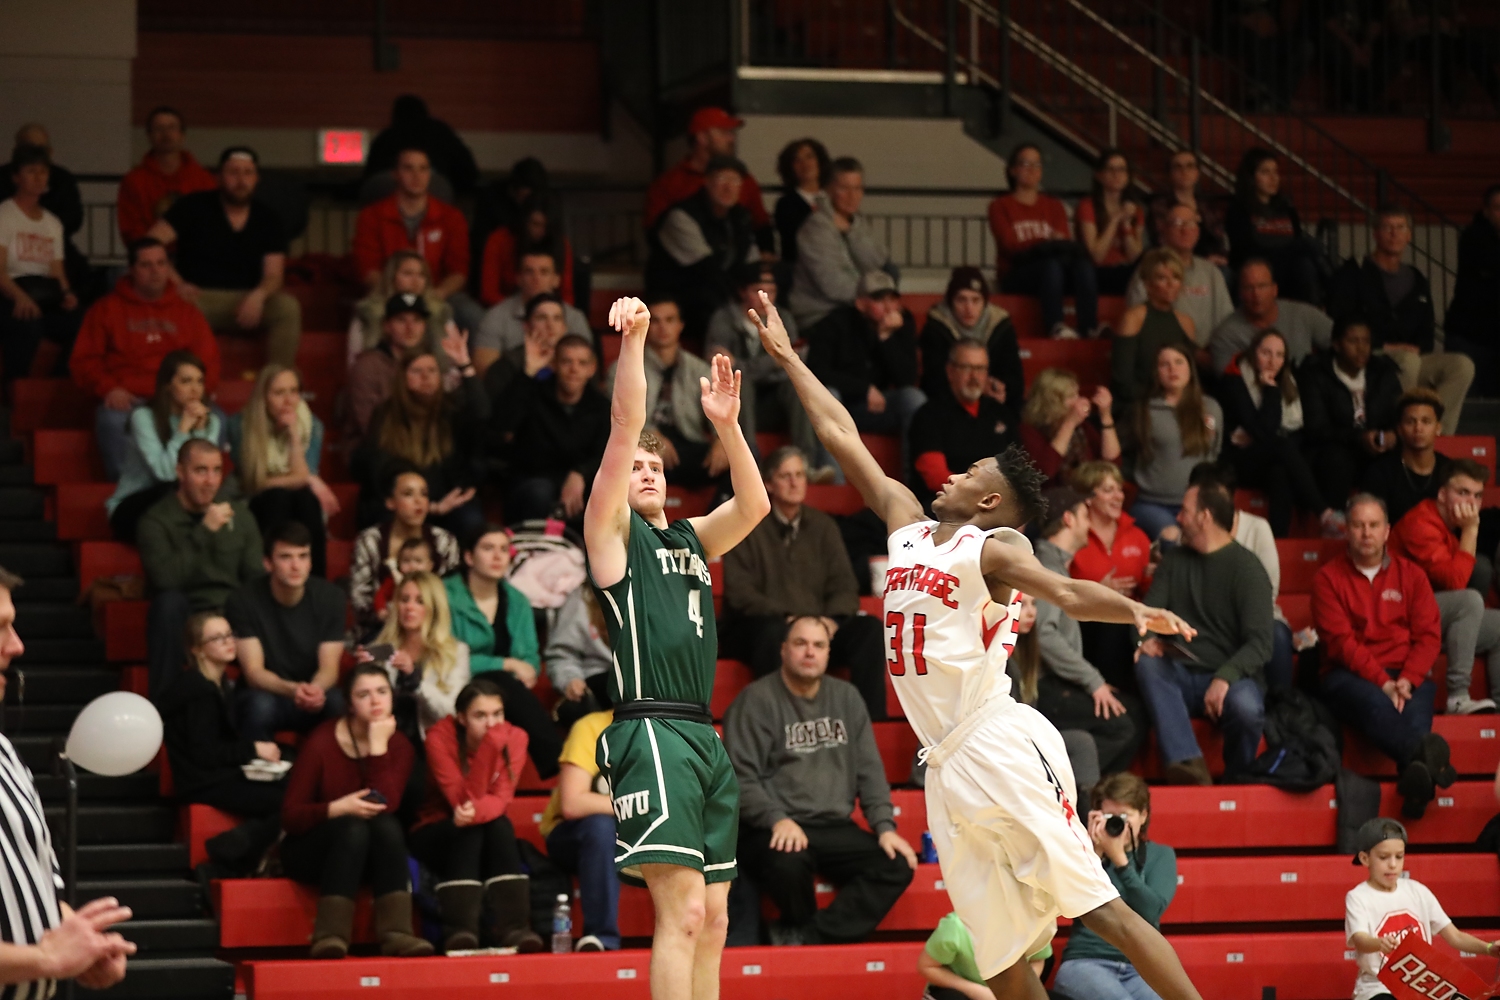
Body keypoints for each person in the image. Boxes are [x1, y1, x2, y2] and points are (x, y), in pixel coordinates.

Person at [751, 291, 1205, 1000]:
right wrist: (787, 357)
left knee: (1101, 909)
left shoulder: (989, 549)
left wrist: (1137, 608)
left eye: (972, 475)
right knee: (996, 954)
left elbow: (1067, 592)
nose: (954, 474)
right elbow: (841, 433)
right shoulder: (904, 523)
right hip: (946, 763)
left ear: (990, 502)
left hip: (997, 738)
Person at [583, 297, 770, 1000]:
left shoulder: (690, 538)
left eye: (655, 466)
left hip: (701, 732)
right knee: (684, 913)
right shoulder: (613, 537)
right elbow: (626, 420)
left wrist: (729, 426)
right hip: (650, 726)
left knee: (716, 920)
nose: (648, 471)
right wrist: (632, 342)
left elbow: (753, 508)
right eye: (635, 468)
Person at [725, 616, 917, 945]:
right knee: (788, 862)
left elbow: (870, 771)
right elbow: (740, 778)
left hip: (832, 827)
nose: (809, 652)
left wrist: (884, 827)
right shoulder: (755, 701)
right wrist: (777, 819)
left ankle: (807, 935)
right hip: (771, 827)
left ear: (830, 653)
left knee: (897, 864)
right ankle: (801, 932)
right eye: (800, 643)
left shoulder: (848, 697)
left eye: (818, 645)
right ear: (784, 650)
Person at [0, 565, 135, 994]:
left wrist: (81, 945)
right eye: (1, 628)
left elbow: (38, 886)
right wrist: (44, 958)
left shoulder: (5, 752)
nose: (17, 646)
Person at [722, 446, 888, 720]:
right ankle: (780, 722)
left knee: (869, 630)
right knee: (772, 633)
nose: (794, 481)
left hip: (817, 626)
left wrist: (827, 623)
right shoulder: (748, 525)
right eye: (786, 475)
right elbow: (741, 593)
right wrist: (792, 621)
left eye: (799, 474)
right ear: (769, 483)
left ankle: (871, 725)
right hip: (765, 626)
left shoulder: (824, 526)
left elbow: (845, 586)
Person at [279, 664, 433, 959]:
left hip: (366, 854)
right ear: (349, 703)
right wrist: (336, 808)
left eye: (382, 692)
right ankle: (330, 935)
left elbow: (385, 803)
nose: (375, 701)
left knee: (386, 825)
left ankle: (396, 933)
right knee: (353, 827)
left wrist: (378, 745)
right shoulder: (322, 741)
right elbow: (291, 815)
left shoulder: (399, 745)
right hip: (312, 850)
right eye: (364, 694)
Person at [1134, 481, 1272, 785]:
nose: (1179, 518)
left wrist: (1225, 677)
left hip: (1232, 678)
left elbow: (1261, 643)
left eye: (1185, 511)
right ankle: (1188, 767)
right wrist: (1146, 641)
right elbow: (1144, 616)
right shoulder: (1174, 561)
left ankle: (1239, 782)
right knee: (1148, 663)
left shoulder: (1248, 568)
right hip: (1179, 672)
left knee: (1246, 707)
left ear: (1205, 517)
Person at [1318, 492, 1449, 809]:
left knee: (1418, 711)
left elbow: (1429, 636)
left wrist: (1407, 679)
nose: (1366, 533)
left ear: (1387, 530)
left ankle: (1417, 784)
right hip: (1349, 676)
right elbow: (1341, 643)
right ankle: (1429, 765)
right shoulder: (1328, 578)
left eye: (1374, 525)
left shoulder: (1412, 575)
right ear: (1346, 530)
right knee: (1378, 705)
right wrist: (1383, 682)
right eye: (1359, 525)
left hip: (1405, 674)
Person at [71, 238, 221, 481]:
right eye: (146, 265)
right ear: (131, 269)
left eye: (161, 263)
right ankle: (128, 491)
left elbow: (208, 361)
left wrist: (197, 393)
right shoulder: (105, 309)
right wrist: (109, 389)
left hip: (177, 398)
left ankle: (200, 488)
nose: (155, 271)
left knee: (217, 418)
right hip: (129, 400)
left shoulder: (187, 311)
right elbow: (84, 361)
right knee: (111, 420)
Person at [409, 677, 540, 953]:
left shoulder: (516, 737)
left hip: (479, 824)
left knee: (497, 824)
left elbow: (501, 799)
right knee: (476, 828)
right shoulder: (439, 737)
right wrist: (490, 748)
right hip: (434, 828)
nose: (492, 724)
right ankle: (460, 931)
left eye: (497, 714)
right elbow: (460, 801)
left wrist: (476, 811)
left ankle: (514, 929)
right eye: (480, 715)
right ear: (461, 718)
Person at [145, 146, 301, 368]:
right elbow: (150, 243)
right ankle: (188, 382)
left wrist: (259, 295)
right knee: (179, 307)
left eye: (248, 173)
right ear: (219, 177)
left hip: (248, 299)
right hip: (199, 297)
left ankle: (277, 382)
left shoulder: (269, 218)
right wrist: (176, 282)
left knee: (287, 307)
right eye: (233, 172)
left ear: (256, 179)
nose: (241, 180)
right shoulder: (193, 206)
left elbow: (274, 274)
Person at [1029, 488, 1147, 777]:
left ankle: (1087, 789)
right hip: (1045, 688)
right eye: (1084, 515)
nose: (1089, 523)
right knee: (1125, 724)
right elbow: (1044, 636)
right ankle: (1059, 782)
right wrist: (1093, 681)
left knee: (1132, 712)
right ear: (1068, 519)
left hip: (1060, 684)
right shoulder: (1046, 568)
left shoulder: (1057, 566)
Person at [1327, 206, 1474, 436]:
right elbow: (1340, 321)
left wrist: (1416, 347)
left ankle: (1436, 433)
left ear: (1409, 235)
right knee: (1408, 361)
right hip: (1371, 355)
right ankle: (1404, 430)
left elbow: (1426, 330)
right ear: (1375, 233)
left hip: (1412, 356)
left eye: (1400, 228)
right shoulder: (1355, 272)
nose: (1394, 234)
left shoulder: (1416, 278)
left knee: (1461, 365)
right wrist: (1383, 346)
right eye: (1387, 227)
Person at [157, 611, 285, 875]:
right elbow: (205, 753)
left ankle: (235, 849)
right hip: (202, 781)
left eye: (230, 635)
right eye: (217, 638)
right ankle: (228, 854)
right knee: (288, 801)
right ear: (197, 650)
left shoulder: (219, 684)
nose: (229, 642)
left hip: (213, 774)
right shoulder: (199, 691)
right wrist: (253, 749)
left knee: (292, 785)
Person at [139, 440, 264, 702]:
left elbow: (254, 576)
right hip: (187, 614)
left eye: (217, 471)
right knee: (167, 604)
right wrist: (204, 532)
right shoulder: (156, 520)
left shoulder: (239, 516)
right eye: (201, 471)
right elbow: (166, 579)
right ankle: (166, 708)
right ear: (180, 472)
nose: (210, 481)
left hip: (231, 609)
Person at [443, 526, 562, 779]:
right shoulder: (445, 595)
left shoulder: (517, 599)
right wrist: (505, 664)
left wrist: (524, 670)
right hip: (455, 680)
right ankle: (555, 760)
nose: (498, 556)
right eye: (488, 549)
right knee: (501, 678)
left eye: (503, 550)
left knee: (504, 682)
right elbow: (446, 658)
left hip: (507, 687)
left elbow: (529, 656)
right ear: (468, 557)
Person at [1389, 461, 1500, 715]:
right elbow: (1456, 582)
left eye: (1477, 495)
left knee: (1498, 626)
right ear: (1442, 494)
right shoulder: (1421, 523)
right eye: (1462, 492)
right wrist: (1471, 529)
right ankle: (1458, 697)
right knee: (1469, 599)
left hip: (1428, 617)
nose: (1471, 502)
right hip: (1397, 620)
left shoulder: (1447, 527)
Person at [1345, 817, 1499, 1000]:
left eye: (1399, 857)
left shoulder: (1418, 891)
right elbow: (1360, 939)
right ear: (1364, 858)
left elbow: (1455, 936)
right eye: (1384, 857)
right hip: (1378, 988)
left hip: (1423, 987)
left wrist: (1489, 948)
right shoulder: (1358, 897)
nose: (1393, 864)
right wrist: (1379, 943)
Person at [1054, 774, 1177, 1000]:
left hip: (1142, 967)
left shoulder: (1160, 855)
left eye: (1125, 816)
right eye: (1110, 816)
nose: (1117, 823)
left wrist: (1121, 861)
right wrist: (1094, 855)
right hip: (1086, 962)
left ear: (1143, 816)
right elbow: (1067, 903)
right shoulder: (1085, 855)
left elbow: (1151, 912)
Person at [225, 522, 348, 741]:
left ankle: (328, 773)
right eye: (286, 557)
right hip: (267, 693)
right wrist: (294, 690)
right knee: (259, 705)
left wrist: (315, 691)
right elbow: (254, 672)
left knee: (337, 701)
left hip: (313, 694)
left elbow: (329, 666)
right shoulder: (243, 600)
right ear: (267, 562)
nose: (296, 565)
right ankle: (258, 771)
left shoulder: (332, 598)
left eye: (303, 556)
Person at [705, 264, 827, 477]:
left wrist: (745, 364)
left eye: (771, 292)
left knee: (796, 386)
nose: (765, 298)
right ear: (742, 291)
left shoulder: (784, 319)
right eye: (757, 291)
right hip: (741, 402)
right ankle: (751, 463)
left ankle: (805, 465)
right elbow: (723, 367)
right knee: (741, 383)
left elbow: (789, 364)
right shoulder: (723, 319)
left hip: (776, 400)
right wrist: (772, 361)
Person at [1221, 328, 1340, 538]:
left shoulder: (1288, 381)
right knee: (1281, 445)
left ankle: (1278, 545)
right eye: (1266, 353)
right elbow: (1264, 429)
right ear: (1253, 353)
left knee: (1281, 472)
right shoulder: (1234, 380)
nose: (1272, 361)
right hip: (1236, 461)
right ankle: (1324, 512)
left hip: (1267, 457)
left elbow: (1283, 431)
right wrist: (1271, 391)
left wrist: (1259, 432)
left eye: (1279, 355)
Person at [354, 347, 484, 538]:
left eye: (432, 371)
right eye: (417, 371)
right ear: (403, 378)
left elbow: (482, 413)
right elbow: (381, 469)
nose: (426, 377)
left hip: (448, 500)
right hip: (402, 501)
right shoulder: (386, 415)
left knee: (470, 520)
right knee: (382, 513)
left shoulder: (452, 410)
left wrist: (465, 366)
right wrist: (426, 505)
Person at [352, 148, 482, 337]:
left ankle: (453, 366)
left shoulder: (451, 217)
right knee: (370, 314)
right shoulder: (371, 216)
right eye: (409, 169)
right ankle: (375, 366)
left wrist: (436, 293)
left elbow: (459, 271)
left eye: (423, 169)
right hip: (387, 292)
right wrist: (397, 292)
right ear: (395, 174)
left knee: (473, 315)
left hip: (437, 292)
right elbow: (367, 268)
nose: (417, 176)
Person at [804, 271, 926, 470]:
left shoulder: (902, 324)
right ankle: (833, 480)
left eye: (892, 299)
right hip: (843, 405)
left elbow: (907, 379)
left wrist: (886, 338)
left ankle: (914, 482)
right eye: (879, 300)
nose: (888, 308)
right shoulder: (835, 324)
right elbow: (815, 372)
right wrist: (863, 389)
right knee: (828, 395)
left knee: (913, 398)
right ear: (861, 303)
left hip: (880, 407)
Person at [225, 364, 337, 578]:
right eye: (279, 393)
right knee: (277, 497)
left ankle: (315, 582)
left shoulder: (312, 425)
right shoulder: (241, 425)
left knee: (307, 500)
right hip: (250, 498)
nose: (288, 401)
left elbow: (302, 477)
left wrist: (293, 436)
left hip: (293, 499)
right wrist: (300, 479)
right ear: (264, 396)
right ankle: (271, 579)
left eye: (293, 391)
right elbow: (252, 481)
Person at [605, 297, 725, 493]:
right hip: (640, 447)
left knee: (743, 457)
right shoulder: (622, 368)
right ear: (645, 324)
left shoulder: (699, 369)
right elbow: (616, 418)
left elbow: (718, 413)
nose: (663, 328)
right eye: (655, 321)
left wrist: (723, 440)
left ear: (680, 325)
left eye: (669, 320)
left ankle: (718, 522)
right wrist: (648, 434)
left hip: (687, 445)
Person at [488, 332, 609, 522]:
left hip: (581, 486)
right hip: (530, 485)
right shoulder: (532, 393)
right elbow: (500, 425)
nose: (574, 369)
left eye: (582, 363)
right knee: (540, 491)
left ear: (592, 368)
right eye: (566, 362)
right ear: (553, 364)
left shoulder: (601, 406)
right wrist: (528, 372)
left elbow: (606, 453)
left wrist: (580, 473)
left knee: (605, 496)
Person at [106, 351, 221, 544]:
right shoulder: (143, 417)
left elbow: (203, 475)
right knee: (173, 489)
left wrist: (200, 432)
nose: (195, 389)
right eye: (186, 381)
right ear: (168, 386)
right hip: (134, 506)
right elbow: (167, 473)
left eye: (199, 381)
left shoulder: (211, 421)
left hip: (183, 504)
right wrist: (183, 429)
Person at [989, 143, 1097, 339]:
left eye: (1037, 165)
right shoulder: (1000, 206)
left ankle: (1089, 328)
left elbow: (1063, 243)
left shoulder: (1054, 206)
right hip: (1016, 272)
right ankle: (1055, 326)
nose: (1032, 169)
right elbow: (1009, 246)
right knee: (1051, 266)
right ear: (1013, 170)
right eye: (1025, 164)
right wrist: (1045, 241)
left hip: (1053, 268)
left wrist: (1045, 244)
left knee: (1082, 266)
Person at [646, 156, 761, 338]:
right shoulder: (682, 215)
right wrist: (739, 300)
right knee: (711, 301)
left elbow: (751, 265)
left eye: (735, 181)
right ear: (707, 182)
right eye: (722, 179)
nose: (728, 187)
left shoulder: (740, 216)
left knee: (766, 293)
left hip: (722, 292)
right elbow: (706, 270)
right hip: (683, 297)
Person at [1301, 318, 1404, 512]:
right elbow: (1315, 428)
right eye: (1353, 341)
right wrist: (1359, 437)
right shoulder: (1316, 373)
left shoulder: (1382, 372)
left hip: (1376, 448)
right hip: (1334, 450)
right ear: (1336, 344)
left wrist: (1393, 435)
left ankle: (1388, 526)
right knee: (1337, 460)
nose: (1361, 348)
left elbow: (1400, 413)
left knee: (1396, 459)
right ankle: (1335, 522)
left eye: (1365, 341)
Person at [539, 707, 620, 952]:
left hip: (639, 835)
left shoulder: (667, 730)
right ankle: (601, 937)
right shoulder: (592, 727)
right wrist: (641, 807)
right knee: (601, 827)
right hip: (574, 834)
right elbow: (573, 804)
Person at [1068, 461, 1154, 691]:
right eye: (1108, 490)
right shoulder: (1074, 536)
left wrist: (1154, 577)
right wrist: (1099, 590)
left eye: (1119, 489)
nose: (1118, 497)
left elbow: (1149, 593)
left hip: (1131, 630)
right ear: (1088, 497)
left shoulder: (1138, 537)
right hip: (1085, 626)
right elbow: (1062, 589)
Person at [642, 107, 773, 253]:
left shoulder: (745, 180)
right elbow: (655, 235)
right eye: (724, 132)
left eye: (731, 133)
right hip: (686, 271)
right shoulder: (668, 183)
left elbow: (761, 227)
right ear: (702, 138)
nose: (732, 138)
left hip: (733, 270)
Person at [350, 467, 461, 639]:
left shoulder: (444, 541)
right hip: (379, 631)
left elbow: (452, 596)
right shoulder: (370, 540)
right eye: (408, 494)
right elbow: (360, 600)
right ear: (390, 502)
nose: (419, 501)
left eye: (424, 494)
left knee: (446, 654)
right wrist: (394, 618)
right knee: (377, 658)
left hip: (431, 632)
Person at [0, 145, 79, 383]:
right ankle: (14, 387)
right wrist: (19, 296)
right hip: (12, 289)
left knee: (81, 322)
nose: (38, 178)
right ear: (17, 177)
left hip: (45, 290)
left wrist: (67, 293)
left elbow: (57, 270)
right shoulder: (5, 215)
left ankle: (55, 385)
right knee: (27, 323)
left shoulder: (52, 223)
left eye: (43, 172)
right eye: (31, 171)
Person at [1130, 344, 1224, 540]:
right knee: (1175, 539)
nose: (1173, 369)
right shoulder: (1144, 410)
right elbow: (1124, 453)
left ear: (1190, 368)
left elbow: (1214, 453)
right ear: (1157, 373)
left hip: (1198, 503)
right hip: (1152, 503)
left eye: (1179, 362)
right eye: (1165, 364)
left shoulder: (1210, 407)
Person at [789, 157, 893, 334]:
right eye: (844, 188)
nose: (853, 196)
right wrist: (870, 299)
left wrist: (851, 233)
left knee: (900, 324)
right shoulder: (815, 228)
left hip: (855, 308)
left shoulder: (858, 223)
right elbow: (832, 284)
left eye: (857, 188)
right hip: (819, 312)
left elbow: (877, 263)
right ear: (829, 190)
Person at [910, 341, 1020, 501]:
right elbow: (936, 477)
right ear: (950, 371)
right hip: (949, 508)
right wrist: (982, 497)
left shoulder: (1001, 413)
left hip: (997, 505)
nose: (974, 376)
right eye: (967, 367)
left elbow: (1016, 469)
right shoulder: (928, 415)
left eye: (980, 368)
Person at [371, 571, 474, 743]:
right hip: (382, 737)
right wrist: (363, 674)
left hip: (427, 744)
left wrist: (416, 682)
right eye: (404, 600)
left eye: (420, 601)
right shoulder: (381, 648)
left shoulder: (455, 652)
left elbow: (453, 712)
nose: (409, 607)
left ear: (434, 607)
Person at [1127, 204, 1233, 352]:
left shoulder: (1211, 273)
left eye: (1190, 224)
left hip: (1210, 356)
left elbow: (1226, 322)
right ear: (1164, 231)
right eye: (1177, 224)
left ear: (1197, 231)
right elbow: (1138, 321)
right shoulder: (1148, 269)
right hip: (1163, 355)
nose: (1185, 230)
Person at [342, 292, 443, 446]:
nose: (410, 328)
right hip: (376, 451)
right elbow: (370, 427)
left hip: (423, 448)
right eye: (401, 320)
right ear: (387, 326)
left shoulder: (429, 363)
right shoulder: (368, 366)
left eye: (417, 320)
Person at [1225, 148, 1322, 304]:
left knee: (1307, 260)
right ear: (1251, 177)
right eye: (1265, 172)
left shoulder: (1286, 207)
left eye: (1275, 172)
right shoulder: (1239, 209)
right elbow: (1245, 250)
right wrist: (1289, 250)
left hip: (1289, 270)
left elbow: (1296, 237)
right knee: (1304, 255)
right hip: (1258, 269)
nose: (1273, 178)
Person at [918, 266, 1024, 408]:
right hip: (948, 406)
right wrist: (977, 388)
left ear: (985, 303)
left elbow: (1014, 376)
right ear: (950, 302)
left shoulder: (1001, 326)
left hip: (994, 404)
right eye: (961, 300)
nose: (969, 308)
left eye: (976, 300)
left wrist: (1000, 388)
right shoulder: (936, 328)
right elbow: (934, 380)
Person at [473, 250, 591, 374]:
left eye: (544, 272)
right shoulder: (495, 316)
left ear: (556, 280)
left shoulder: (575, 318)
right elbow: (486, 373)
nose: (536, 278)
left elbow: (588, 368)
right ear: (518, 278)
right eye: (529, 271)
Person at [1209, 259, 1334, 375]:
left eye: (1262, 286)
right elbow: (1230, 383)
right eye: (1248, 288)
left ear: (1274, 289)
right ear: (1240, 294)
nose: (1256, 294)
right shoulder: (1226, 335)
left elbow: (1342, 341)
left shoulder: (1304, 314)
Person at [116, 105, 217, 245]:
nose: (166, 134)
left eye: (172, 128)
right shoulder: (134, 181)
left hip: (194, 259)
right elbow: (130, 227)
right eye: (159, 128)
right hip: (150, 259)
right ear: (149, 135)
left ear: (182, 135)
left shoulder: (203, 180)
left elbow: (213, 223)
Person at [1112, 248, 1199, 407]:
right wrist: (1161, 401)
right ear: (1148, 284)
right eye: (1161, 278)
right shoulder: (1133, 318)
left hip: (1179, 405)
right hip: (1137, 405)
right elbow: (1123, 381)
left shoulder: (1186, 322)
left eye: (1176, 277)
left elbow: (1190, 377)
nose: (1171, 284)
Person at [348, 250, 455, 368]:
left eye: (421, 275)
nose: (416, 281)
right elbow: (354, 363)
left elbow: (452, 365)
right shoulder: (369, 312)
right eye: (408, 274)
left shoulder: (439, 312)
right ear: (391, 277)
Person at [1360, 388, 1453, 524]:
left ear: (1438, 428)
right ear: (1399, 429)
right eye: (1410, 421)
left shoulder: (1451, 471)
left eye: (1426, 421)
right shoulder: (1380, 473)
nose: (1418, 429)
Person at [362, 95, 479, 200]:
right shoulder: (440, 132)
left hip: (384, 192)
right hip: (438, 190)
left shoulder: (386, 136)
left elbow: (370, 174)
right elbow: (467, 168)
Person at [1019, 367, 1120, 487]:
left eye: (1077, 394)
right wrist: (1069, 424)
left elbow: (1113, 464)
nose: (1079, 400)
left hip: (1087, 495)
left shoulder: (1083, 428)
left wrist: (1105, 415)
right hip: (1053, 499)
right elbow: (1045, 471)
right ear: (1052, 401)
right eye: (1071, 396)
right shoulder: (1029, 431)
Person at [1444, 184, 1500, 393]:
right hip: (1470, 333)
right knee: (1471, 398)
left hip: (1493, 335)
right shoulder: (1474, 237)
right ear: (1486, 211)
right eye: (1498, 208)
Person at [479, 195, 575, 307]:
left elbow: (567, 294)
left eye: (546, 226)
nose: (541, 231)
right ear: (524, 222)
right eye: (535, 224)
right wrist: (523, 311)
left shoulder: (561, 244)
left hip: (550, 312)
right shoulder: (500, 240)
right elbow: (488, 293)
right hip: (506, 309)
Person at [544, 584, 616, 731]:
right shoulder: (579, 601)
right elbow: (561, 654)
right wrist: (570, 679)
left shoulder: (656, 592)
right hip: (598, 677)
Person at [1076, 149, 1146, 297]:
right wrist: (1115, 218)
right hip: (1098, 272)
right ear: (1099, 175)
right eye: (1110, 169)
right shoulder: (1087, 205)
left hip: (1126, 271)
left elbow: (1135, 257)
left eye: (1121, 169)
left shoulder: (1136, 209)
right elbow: (1097, 256)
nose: (1117, 174)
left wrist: (1126, 224)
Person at [1147, 150, 1229, 265]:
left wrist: (1219, 256)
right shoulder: (1161, 206)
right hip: (1174, 262)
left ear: (1197, 173)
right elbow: (1161, 241)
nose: (1184, 171)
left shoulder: (1206, 206)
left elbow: (1219, 237)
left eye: (1190, 166)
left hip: (1211, 263)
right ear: (1170, 173)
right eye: (1178, 167)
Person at [773, 138, 831, 264]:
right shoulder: (785, 204)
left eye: (809, 157)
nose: (805, 164)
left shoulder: (833, 198)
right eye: (797, 160)